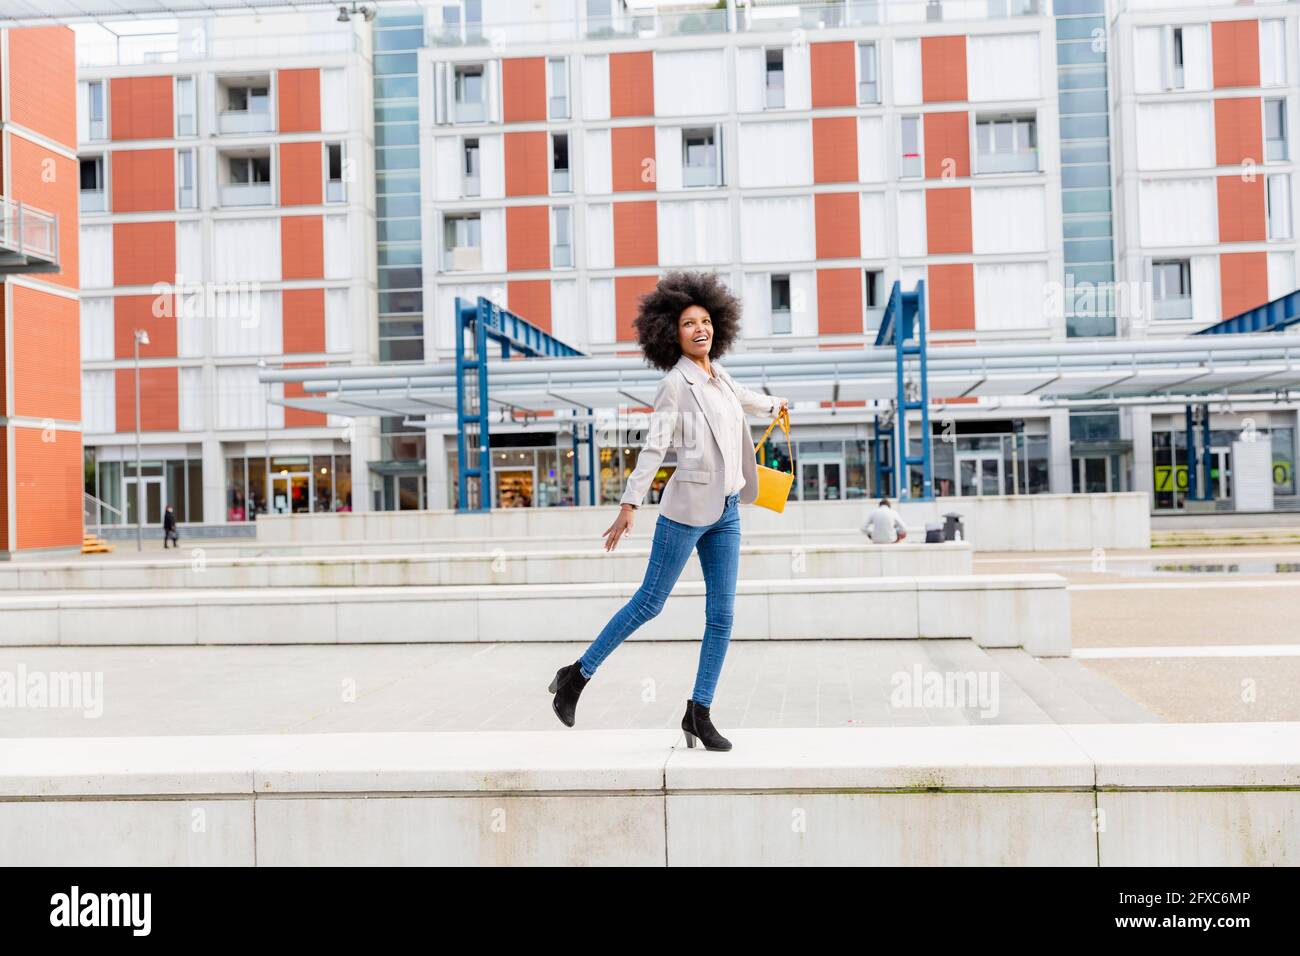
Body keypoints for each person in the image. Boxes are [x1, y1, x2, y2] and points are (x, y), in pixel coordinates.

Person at [547, 270, 789, 752]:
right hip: (685, 510)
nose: (700, 329)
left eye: (705, 321)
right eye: (688, 324)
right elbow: (655, 448)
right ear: (670, 334)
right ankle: (576, 676)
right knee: (649, 603)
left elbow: (745, 400)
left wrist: (776, 402)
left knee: (722, 617)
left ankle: (698, 712)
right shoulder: (676, 385)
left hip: (727, 511)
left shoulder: (718, 375)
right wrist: (629, 503)